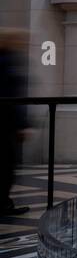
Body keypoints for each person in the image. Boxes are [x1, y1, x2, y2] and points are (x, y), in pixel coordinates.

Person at [0, 29, 29, 216]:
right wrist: (21, 124)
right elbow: (12, 96)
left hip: (6, 121)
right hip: (5, 122)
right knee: (6, 166)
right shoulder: (7, 61)